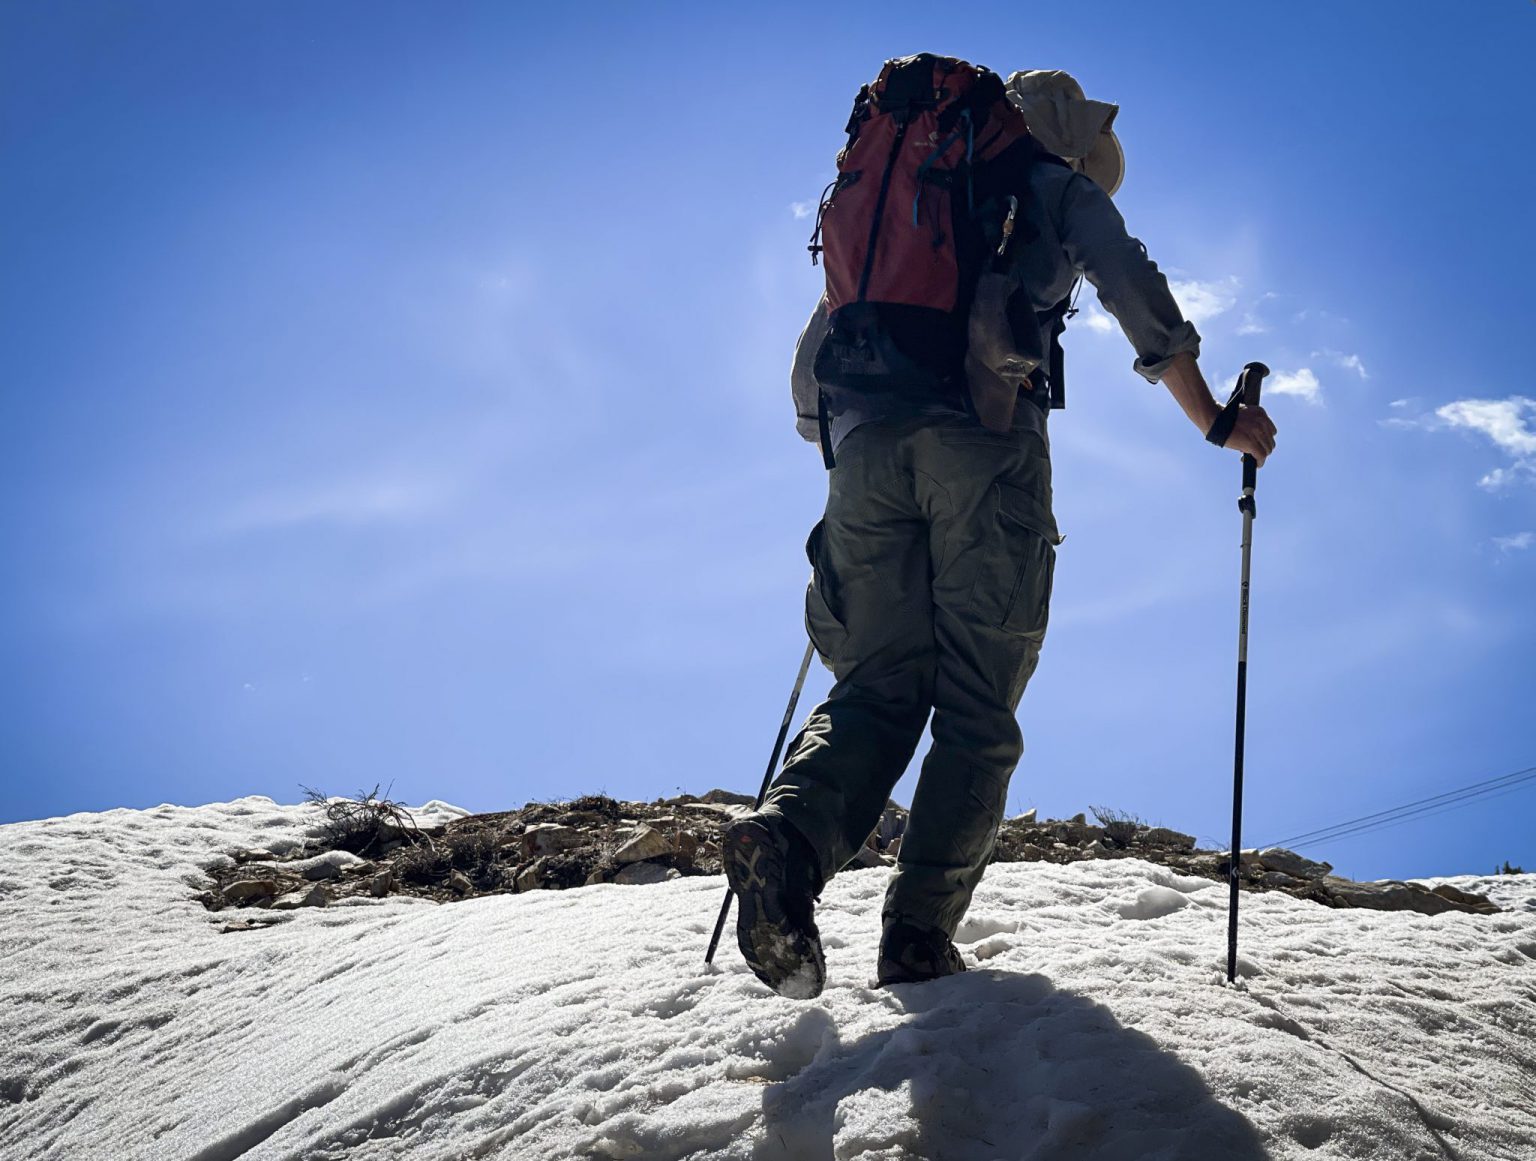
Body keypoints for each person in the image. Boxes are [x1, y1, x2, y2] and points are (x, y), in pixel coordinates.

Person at [723, 68, 1278, 998]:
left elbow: (805, 375)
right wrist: (1215, 419)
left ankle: (783, 841)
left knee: (877, 687)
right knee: (977, 707)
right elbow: (1131, 282)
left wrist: (861, 452)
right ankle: (916, 941)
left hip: (861, 454)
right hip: (985, 451)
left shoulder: (910, 197)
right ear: (1070, 140)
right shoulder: (1047, 183)